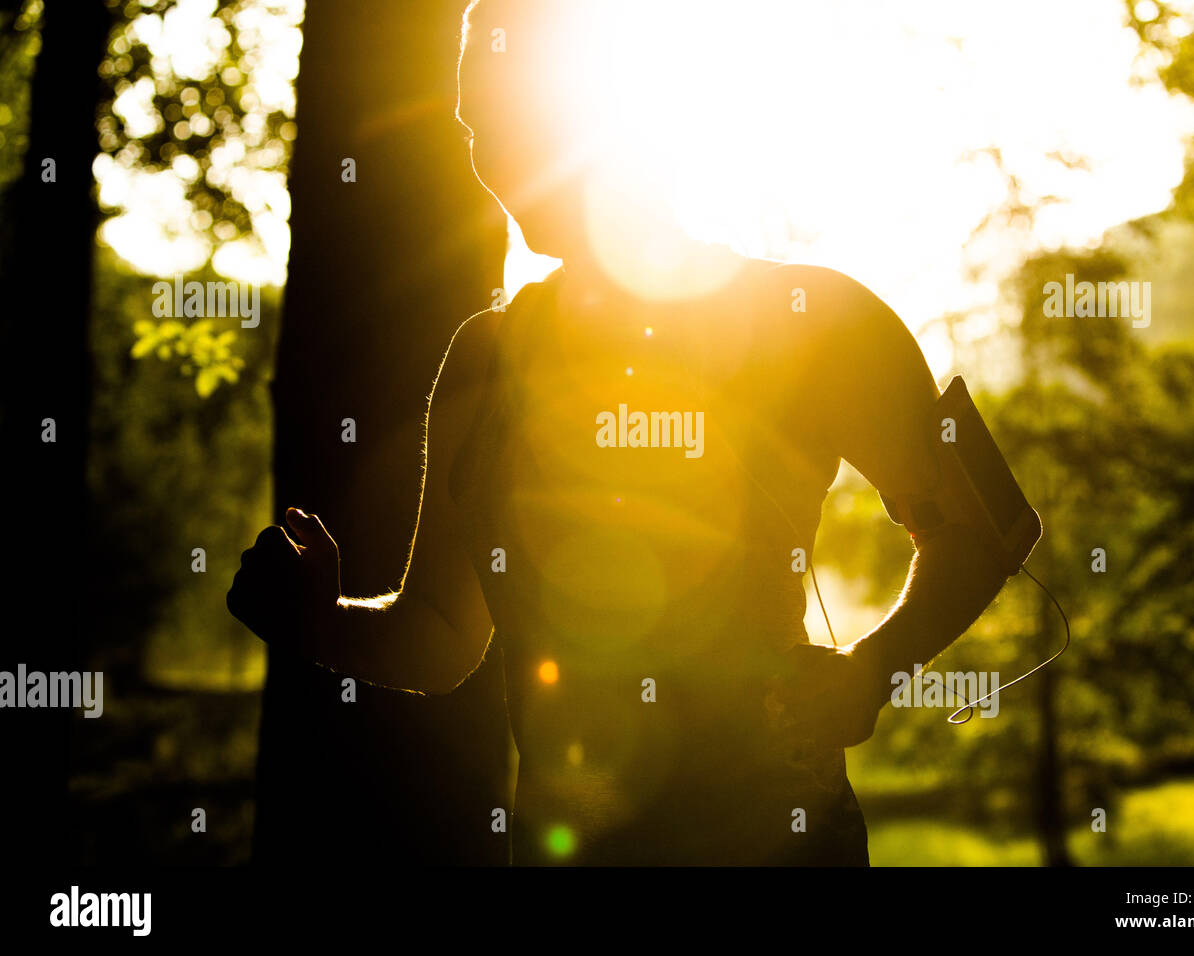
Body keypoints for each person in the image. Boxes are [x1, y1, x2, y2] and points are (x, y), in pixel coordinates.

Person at [228, 0, 1008, 865]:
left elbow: (983, 530)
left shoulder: (813, 321)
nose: (496, 159)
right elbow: (443, 633)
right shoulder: (487, 357)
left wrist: (873, 668)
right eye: (477, 126)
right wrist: (319, 624)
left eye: (523, 125)